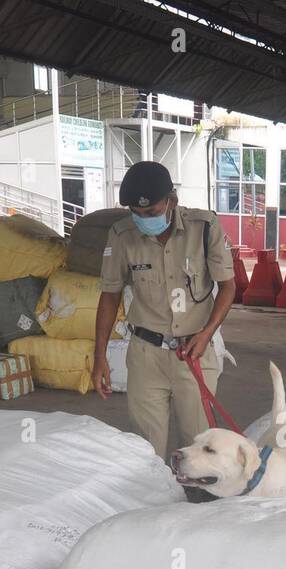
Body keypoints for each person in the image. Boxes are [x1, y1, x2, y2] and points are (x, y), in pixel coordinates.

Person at [93, 160, 236, 461]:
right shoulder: (122, 235)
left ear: (172, 201)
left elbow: (228, 287)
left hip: (194, 353)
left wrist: (207, 333)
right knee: (145, 451)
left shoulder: (204, 227)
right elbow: (109, 296)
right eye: (137, 213)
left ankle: (201, 507)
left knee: (200, 451)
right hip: (146, 356)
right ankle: (152, 505)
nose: (144, 219)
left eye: (152, 212)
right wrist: (99, 357)